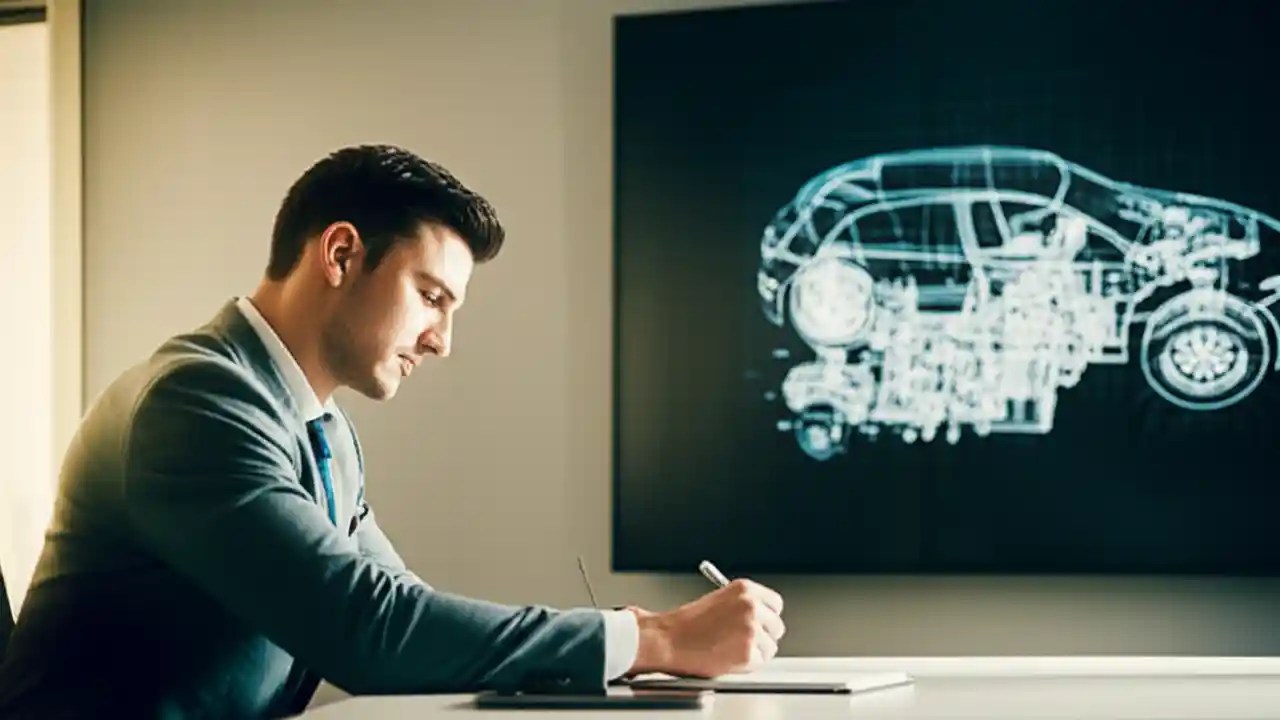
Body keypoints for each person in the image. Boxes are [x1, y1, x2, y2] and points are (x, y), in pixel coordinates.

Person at [0, 144, 786, 718]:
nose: (442, 340)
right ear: (341, 253)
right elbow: (371, 631)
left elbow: (404, 611)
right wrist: (647, 639)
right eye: (431, 297)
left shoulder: (323, 431)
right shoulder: (194, 405)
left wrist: (635, 646)